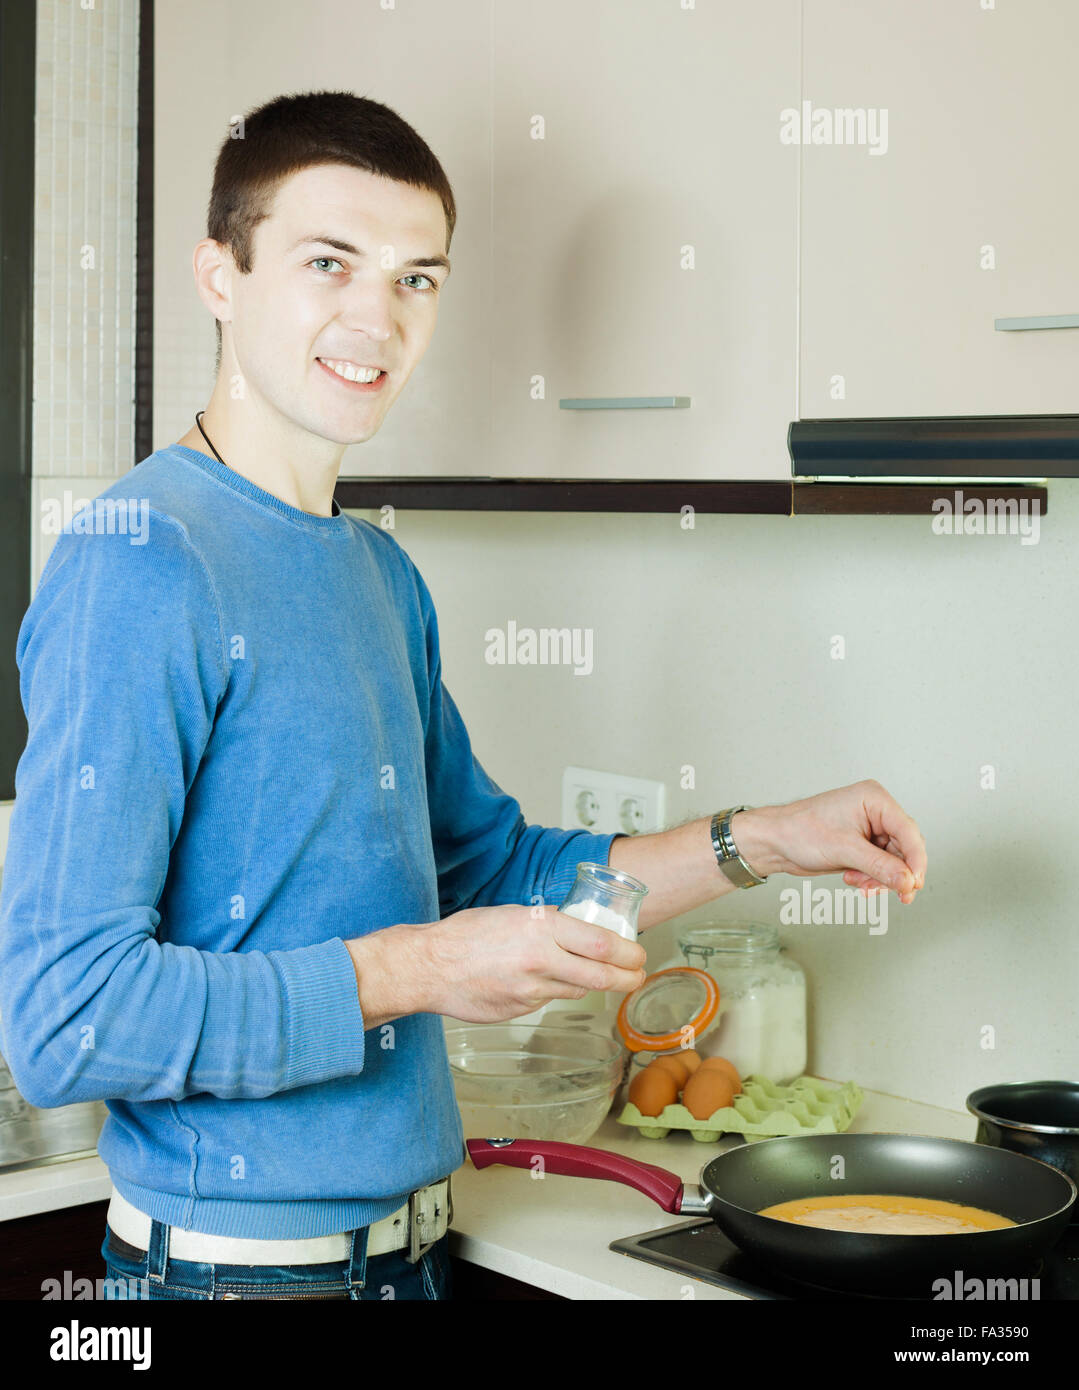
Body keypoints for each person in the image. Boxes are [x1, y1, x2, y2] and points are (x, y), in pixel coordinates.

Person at [0, 90, 926, 1302]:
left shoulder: (378, 574)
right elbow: (67, 1021)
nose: (375, 317)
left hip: (411, 1255)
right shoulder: (142, 560)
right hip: (234, 1280)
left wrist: (761, 840)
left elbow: (496, 874)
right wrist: (420, 971)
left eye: (415, 278)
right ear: (218, 274)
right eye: (328, 262)